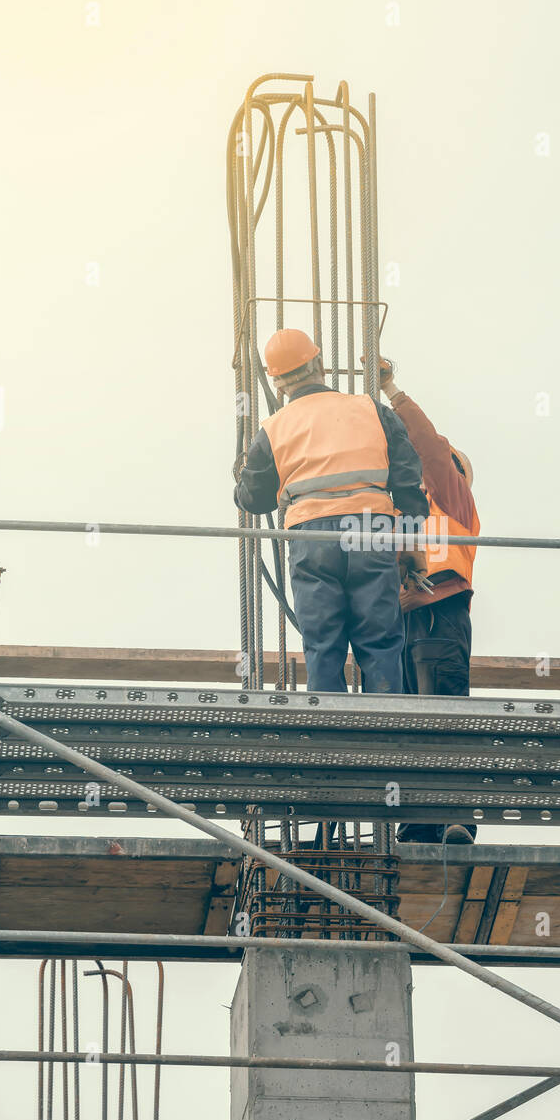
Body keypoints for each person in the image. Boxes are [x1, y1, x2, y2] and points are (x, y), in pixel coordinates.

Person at [234, 329, 427, 694]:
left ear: (277, 383)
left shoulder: (273, 429)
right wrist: (411, 543)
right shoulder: (370, 410)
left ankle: (328, 730)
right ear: (319, 363)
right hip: (369, 529)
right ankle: (385, 726)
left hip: (311, 536)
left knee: (323, 643)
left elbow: (254, 500)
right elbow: (408, 483)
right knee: (380, 640)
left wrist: (242, 476)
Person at [378, 357, 480, 845]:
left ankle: (456, 815)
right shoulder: (404, 512)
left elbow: (430, 448)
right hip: (401, 619)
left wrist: (392, 393)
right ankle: (421, 822)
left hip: (438, 609)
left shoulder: (452, 498)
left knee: (443, 716)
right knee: (410, 724)